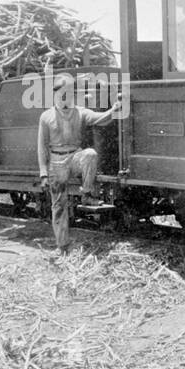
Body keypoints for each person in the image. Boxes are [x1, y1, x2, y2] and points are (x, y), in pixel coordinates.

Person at [37, 73, 120, 253]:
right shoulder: (46, 117)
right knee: (59, 206)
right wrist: (43, 172)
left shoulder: (80, 112)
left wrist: (113, 110)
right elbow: (42, 147)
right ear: (56, 95)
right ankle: (63, 246)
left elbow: (100, 119)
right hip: (56, 163)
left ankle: (87, 194)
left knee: (90, 154)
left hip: (75, 157)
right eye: (62, 94)